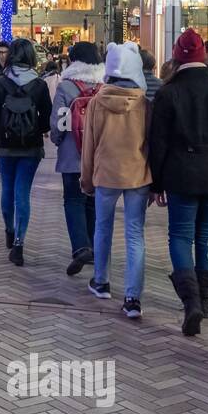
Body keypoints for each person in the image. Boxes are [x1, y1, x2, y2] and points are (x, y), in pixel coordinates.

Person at [148, 29, 208, 336]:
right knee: (207, 235)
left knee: (180, 236)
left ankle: (190, 303)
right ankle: (204, 298)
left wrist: (156, 183)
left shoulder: (167, 92)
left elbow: (158, 143)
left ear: (176, 56)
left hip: (181, 174)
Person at [80, 41, 152, 319]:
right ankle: (133, 298)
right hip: (138, 174)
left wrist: (86, 179)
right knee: (135, 234)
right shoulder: (144, 103)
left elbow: (89, 145)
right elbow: (152, 142)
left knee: (102, 227)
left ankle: (101, 281)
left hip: (106, 174)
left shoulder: (98, 101)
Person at [0, 38, 52, 267]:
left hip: (5, 146)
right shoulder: (39, 85)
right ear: (31, 57)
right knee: (23, 193)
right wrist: (33, 131)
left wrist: (1, 132)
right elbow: (47, 120)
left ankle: (9, 231)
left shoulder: (0, 82)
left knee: (7, 189)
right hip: (30, 148)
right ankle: (19, 245)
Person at [49, 41, 103, 276]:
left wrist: (57, 139)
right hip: (99, 156)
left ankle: (80, 247)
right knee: (92, 201)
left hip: (73, 154)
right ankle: (92, 246)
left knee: (73, 200)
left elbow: (59, 122)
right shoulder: (105, 86)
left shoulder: (66, 87)